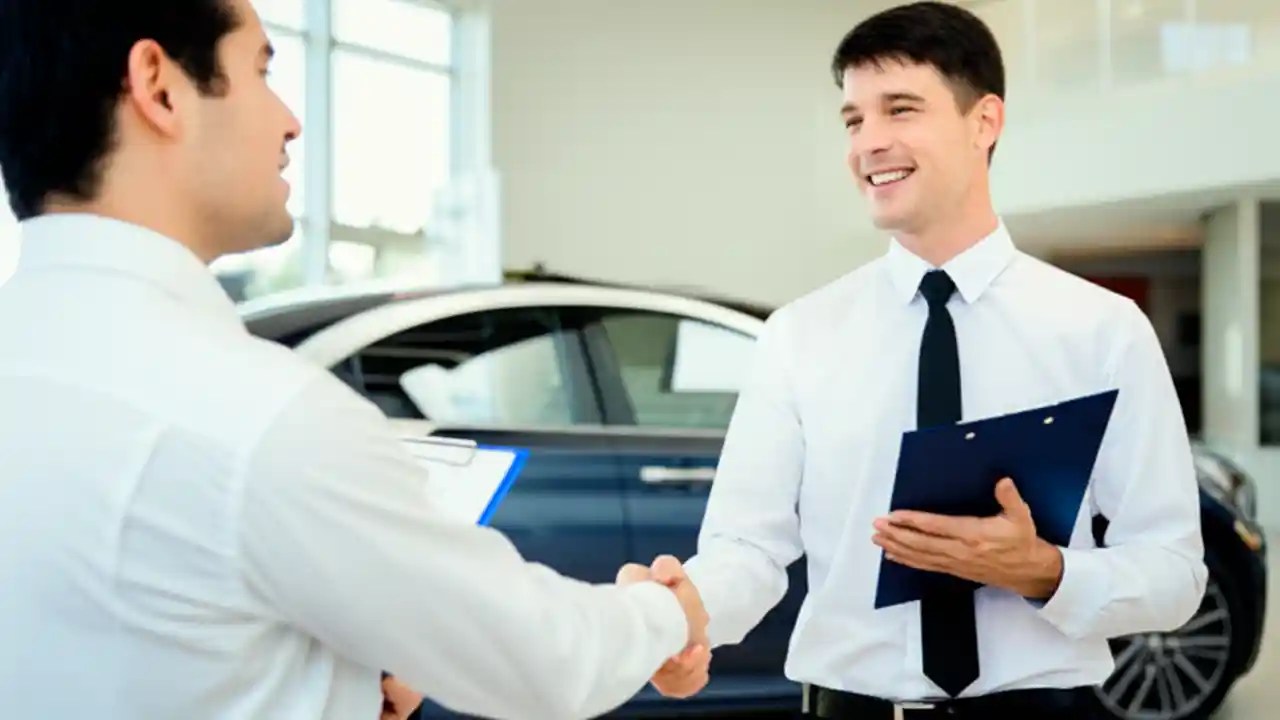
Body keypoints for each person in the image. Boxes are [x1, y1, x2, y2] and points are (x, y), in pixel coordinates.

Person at [0, 1, 708, 718]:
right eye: (260, 69)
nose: (290, 121)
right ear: (159, 86)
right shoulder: (260, 417)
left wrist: (330, 688)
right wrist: (663, 612)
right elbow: (546, 661)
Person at [636, 2, 1209, 717]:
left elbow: (1176, 572)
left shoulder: (1103, 330)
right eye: (853, 119)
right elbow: (747, 548)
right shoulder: (799, 335)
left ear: (985, 122)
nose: (867, 142)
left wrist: (1047, 573)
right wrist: (688, 616)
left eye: (899, 109)